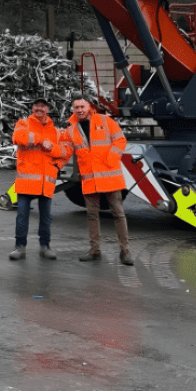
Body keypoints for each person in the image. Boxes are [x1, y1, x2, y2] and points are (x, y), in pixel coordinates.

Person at [62, 97, 134, 265]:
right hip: (89, 178)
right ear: (73, 109)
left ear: (89, 107)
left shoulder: (105, 120)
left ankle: (126, 252)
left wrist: (111, 158)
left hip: (109, 176)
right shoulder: (71, 129)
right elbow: (65, 149)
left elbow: (120, 140)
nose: (79, 109)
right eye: (76, 107)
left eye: (82, 106)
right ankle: (95, 251)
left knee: (118, 213)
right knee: (92, 216)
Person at [8, 97, 68, 261]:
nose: (39, 108)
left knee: (46, 217)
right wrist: (41, 139)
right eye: (36, 105)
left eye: (43, 106)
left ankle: (45, 246)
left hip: (46, 181)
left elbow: (65, 152)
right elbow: (18, 138)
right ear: (32, 108)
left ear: (47, 109)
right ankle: (20, 247)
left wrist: (56, 163)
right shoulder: (23, 124)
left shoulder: (56, 131)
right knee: (22, 215)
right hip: (27, 181)